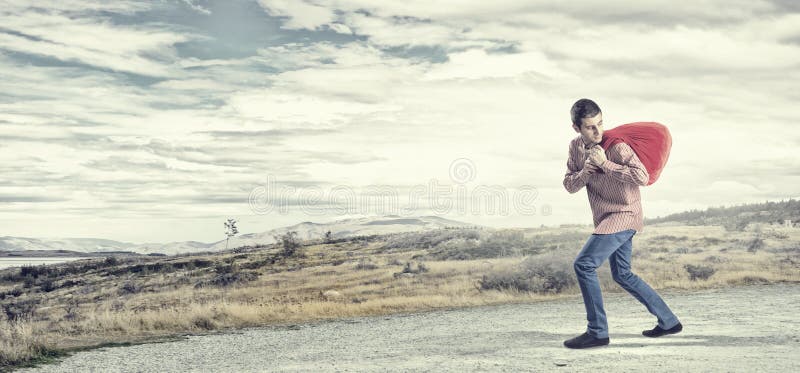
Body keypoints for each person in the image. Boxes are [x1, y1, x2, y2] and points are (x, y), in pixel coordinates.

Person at [561, 98, 682, 349]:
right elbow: (570, 185)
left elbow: (641, 176)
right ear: (576, 128)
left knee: (584, 264)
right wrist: (588, 170)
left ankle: (597, 332)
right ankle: (669, 321)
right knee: (623, 274)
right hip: (605, 217)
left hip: (625, 213)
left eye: (600, 124)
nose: (598, 132)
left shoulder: (617, 147)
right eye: (590, 127)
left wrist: (606, 164)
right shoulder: (575, 148)